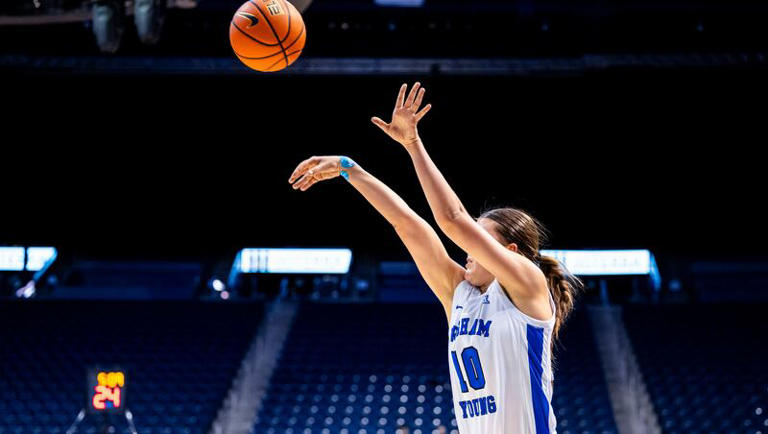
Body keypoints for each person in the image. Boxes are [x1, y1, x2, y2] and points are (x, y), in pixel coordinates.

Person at [288, 82, 581, 434]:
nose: (466, 251)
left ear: (510, 252)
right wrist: (352, 170)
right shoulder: (460, 295)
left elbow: (452, 221)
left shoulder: (528, 283)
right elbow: (408, 225)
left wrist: (412, 144)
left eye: (478, 240)